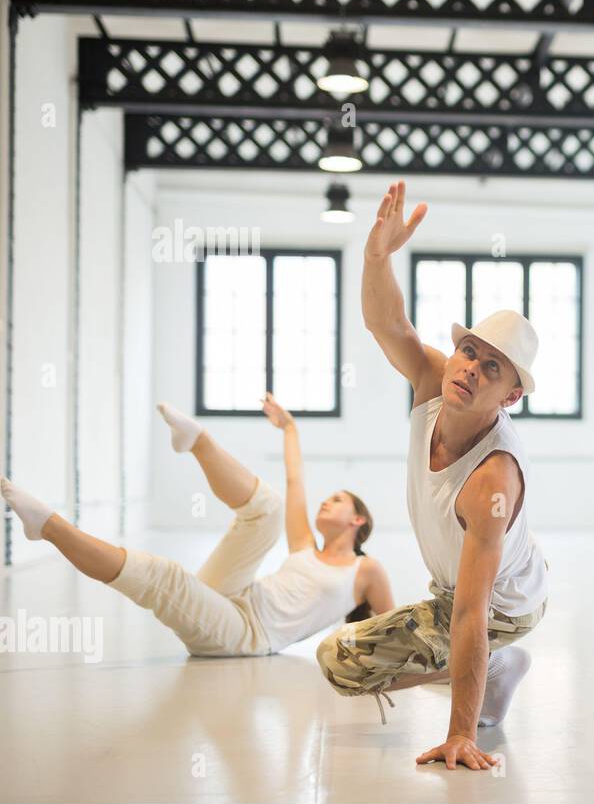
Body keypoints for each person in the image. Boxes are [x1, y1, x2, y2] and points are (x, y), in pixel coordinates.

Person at [315, 181, 548, 772]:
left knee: (342, 658)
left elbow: (472, 611)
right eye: (469, 351)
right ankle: (494, 665)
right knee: (345, 659)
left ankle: (497, 661)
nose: (470, 368)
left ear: (511, 394)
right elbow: (386, 322)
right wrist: (376, 257)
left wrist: (461, 734)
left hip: (503, 605)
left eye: (490, 367)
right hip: (464, 590)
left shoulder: (492, 481)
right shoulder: (433, 382)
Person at [0, 394, 393, 657]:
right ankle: (197, 440)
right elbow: (295, 481)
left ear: (357, 520)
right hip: (235, 595)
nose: (327, 500)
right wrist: (290, 428)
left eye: (338, 500)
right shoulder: (306, 546)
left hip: (247, 634)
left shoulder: (366, 570)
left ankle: (47, 526)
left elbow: (394, 627)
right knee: (268, 508)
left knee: (164, 575)